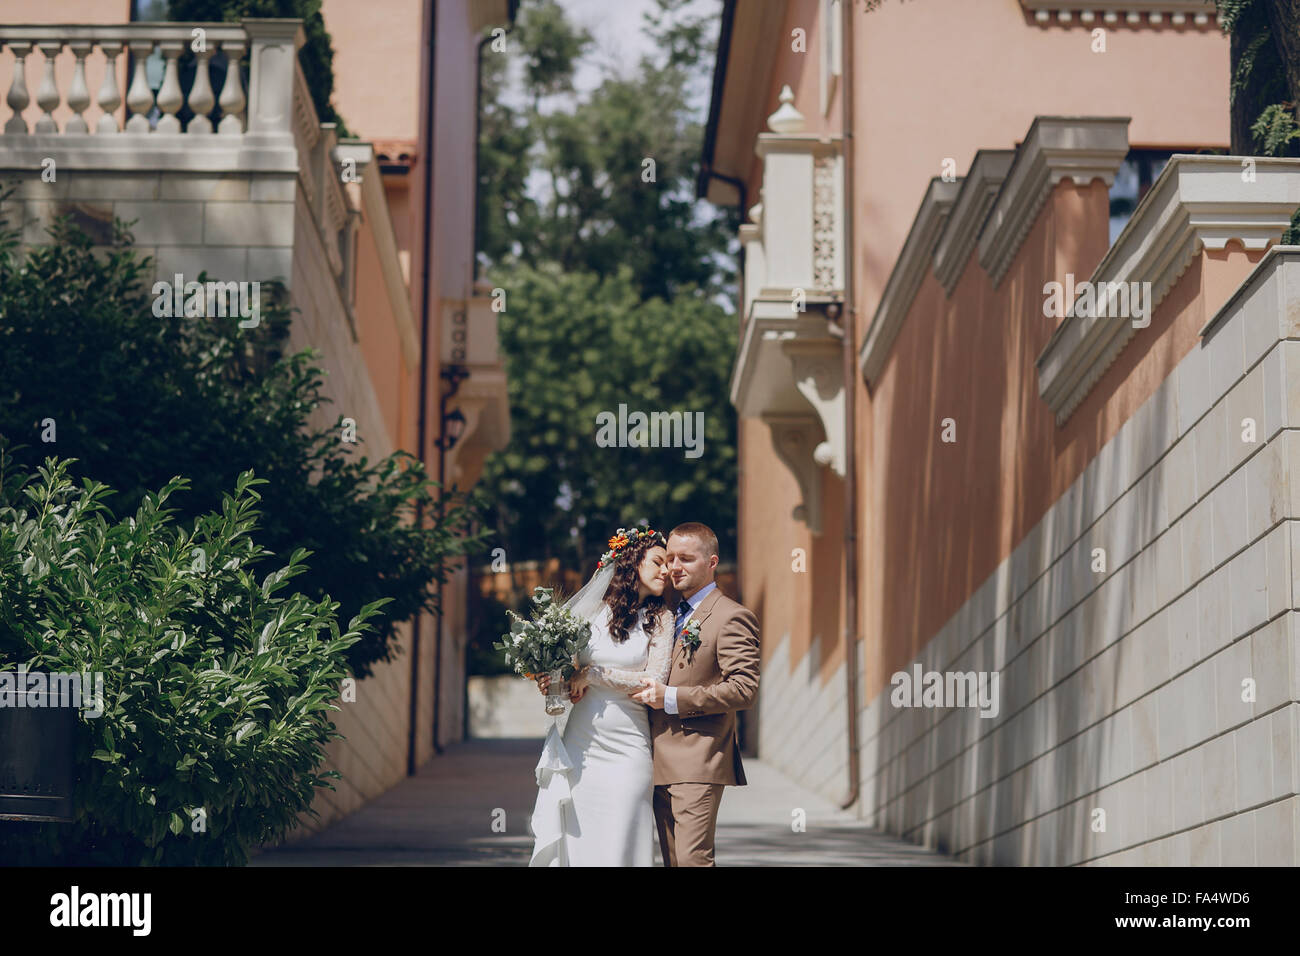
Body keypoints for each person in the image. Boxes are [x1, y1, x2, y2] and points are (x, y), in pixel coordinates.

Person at [527, 525, 674, 866]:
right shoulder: (592, 613)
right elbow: (571, 678)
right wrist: (553, 683)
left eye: (667, 564)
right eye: (657, 562)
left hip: (629, 747)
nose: (666, 570)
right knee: (583, 842)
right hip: (583, 745)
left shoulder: (661, 619)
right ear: (633, 564)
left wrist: (594, 674)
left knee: (624, 835)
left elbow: (653, 679)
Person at [634, 522, 760, 867]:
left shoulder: (732, 617)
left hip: (698, 759)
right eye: (670, 558)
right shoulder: (667, 615)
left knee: (693, 861)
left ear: (712, 561)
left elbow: (744, 689)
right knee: (675, 862)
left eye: (686, 559)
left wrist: (673, 698)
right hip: (656, 760)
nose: (674, 567)